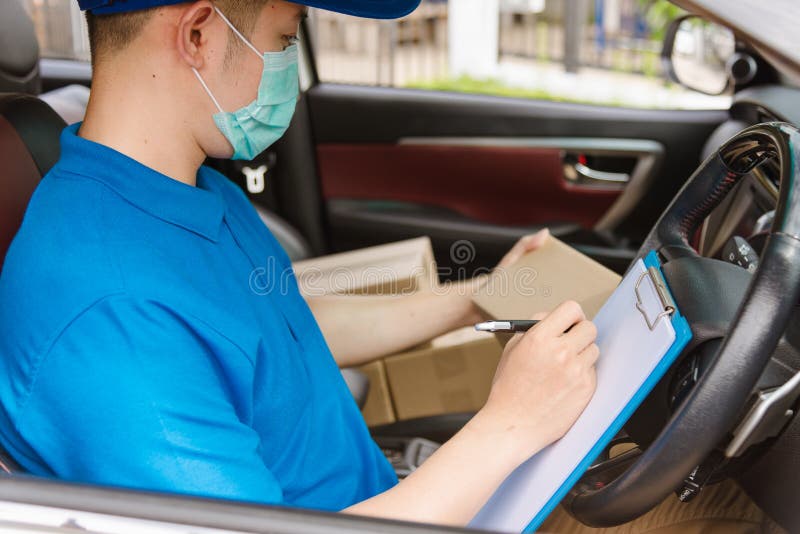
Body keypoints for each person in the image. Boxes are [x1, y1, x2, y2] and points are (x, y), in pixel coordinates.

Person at [0, 0, 599, 527]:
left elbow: (280, 331)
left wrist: (478, 296)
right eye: (285, 38)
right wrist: (511, 424)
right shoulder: (110, 314)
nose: (286, 61)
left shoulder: (192, 191)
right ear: (199, 35)